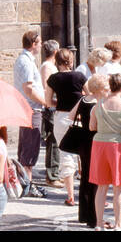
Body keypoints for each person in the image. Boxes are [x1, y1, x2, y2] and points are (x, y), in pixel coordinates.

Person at [88, 72, 121, 230]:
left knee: (102, 186)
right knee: (118, 188)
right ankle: (118, 224)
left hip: (99, 144)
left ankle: (98, 223)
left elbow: (92, 127)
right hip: (117, 145)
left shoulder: (97, 105)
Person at [47, 47, 86, 206]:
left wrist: (60, 102)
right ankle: (88, 193)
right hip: (80, 117)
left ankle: (71, 196)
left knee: (66, 156)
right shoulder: (79, 76)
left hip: (62, 116)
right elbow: (89, 95)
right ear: (71, 61)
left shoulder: (53, 78)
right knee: (84, 155)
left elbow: (48, 102)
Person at [13, 28, 48, 197]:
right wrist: (45, 102)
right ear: (34, 43)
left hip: (27, 108)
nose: (41, 45)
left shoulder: (25, 59)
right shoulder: (26, 62)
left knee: (26, 147)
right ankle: (27, 186)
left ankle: (25, 183)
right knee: (30, 148)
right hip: (31, 108)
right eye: (40, 43)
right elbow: (28, 89)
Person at [76, 74, 106, 229]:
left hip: (83, 141)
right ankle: (93, 218)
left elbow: (71, 115)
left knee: (85, 178)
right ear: (100, 88)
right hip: (95, 141)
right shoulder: (98, 103)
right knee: (95, 179)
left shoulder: (84, 99)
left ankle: (83, 215)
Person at [39, 39, 61, 187]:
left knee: (55, 141)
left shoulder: (50, 65)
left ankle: (54, 172)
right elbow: (48, 88)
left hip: (54, 106)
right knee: (53, 141)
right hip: (52, 107)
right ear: (55, 52)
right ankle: (52, 176)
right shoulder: (47, 66)